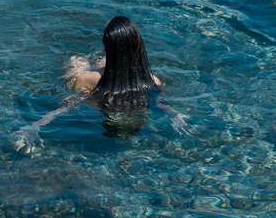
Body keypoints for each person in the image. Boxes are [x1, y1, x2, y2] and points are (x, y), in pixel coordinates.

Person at [15, 16, 183, 152]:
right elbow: (161, 105)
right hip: (129, 128)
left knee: (76, 62)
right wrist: (177, 116)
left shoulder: (86, 78)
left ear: (105, 46)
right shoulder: (152, 81)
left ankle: (88, 63)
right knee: (103, 64)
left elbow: (67, 106)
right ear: (137, 46)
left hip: (94, 123)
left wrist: (34, 126)